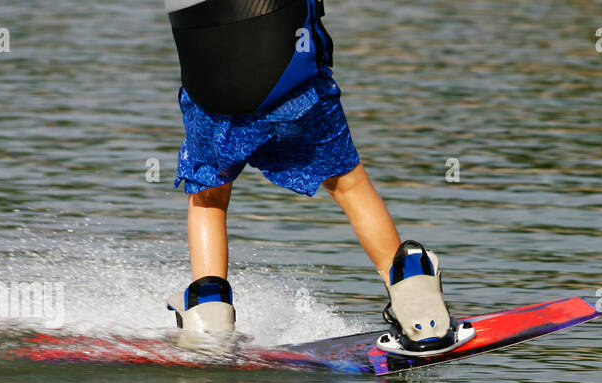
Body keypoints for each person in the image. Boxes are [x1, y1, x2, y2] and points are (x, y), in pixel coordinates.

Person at [165, 0, 455, 352]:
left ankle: (208, 322)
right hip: (296, 90)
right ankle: (421, 313)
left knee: (209, 197)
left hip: (213, 97)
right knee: (349, 185)